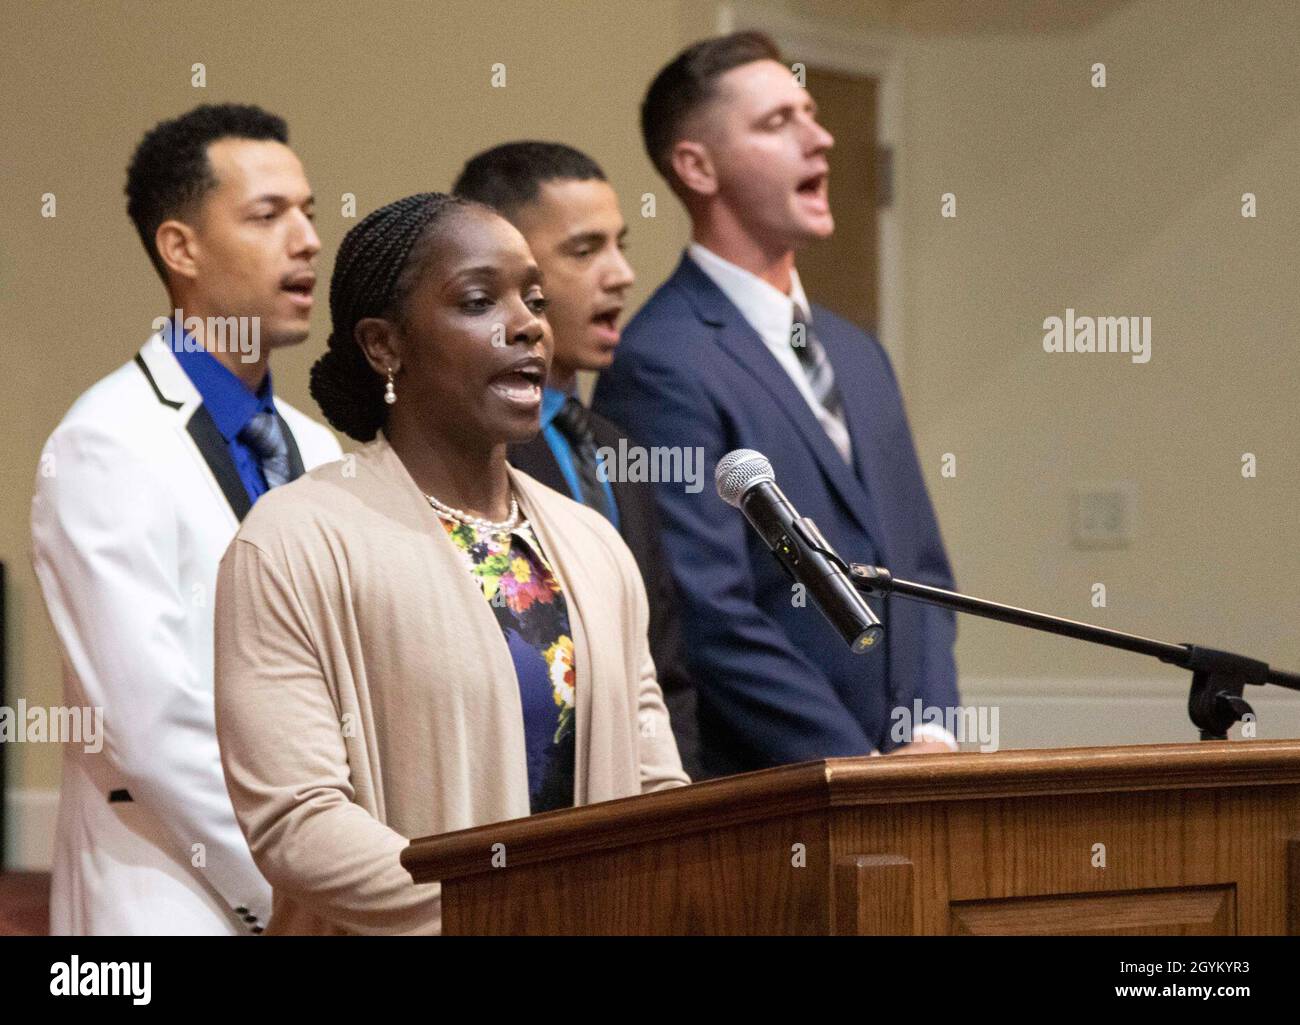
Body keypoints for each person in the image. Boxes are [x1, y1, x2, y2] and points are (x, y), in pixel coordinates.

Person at [214, 193, 688, 935]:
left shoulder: (592, 543)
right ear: (384, 346)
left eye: (533, 298)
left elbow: (656, 783)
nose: (529, 323)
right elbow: (299, 822)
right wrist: (510, 915)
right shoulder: (293, 540)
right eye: (478, 300)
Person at [593, 32, 960, 776]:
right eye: (776, 123)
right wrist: (856, 764)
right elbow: (709, 614)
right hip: (778, 791)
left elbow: (920, 568)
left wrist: (931, 736)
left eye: (812, 113)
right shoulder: (660, 361)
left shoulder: (858, 352)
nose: (819, 138)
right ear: (697, 165)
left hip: (913, 779)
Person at [30, 103, 341, 935]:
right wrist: (302, 891)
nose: (308, 239)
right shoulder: (106, 440)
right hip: (171, 898)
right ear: (180, 247)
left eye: (309, 212)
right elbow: (149, 723)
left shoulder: (314, 444)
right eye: (268, 215)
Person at [452, 141, 704, 779]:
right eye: (585, 251)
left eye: (622, 245)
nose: (620, 274)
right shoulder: (469, 449)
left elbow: (665, 665)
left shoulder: (615, 444)